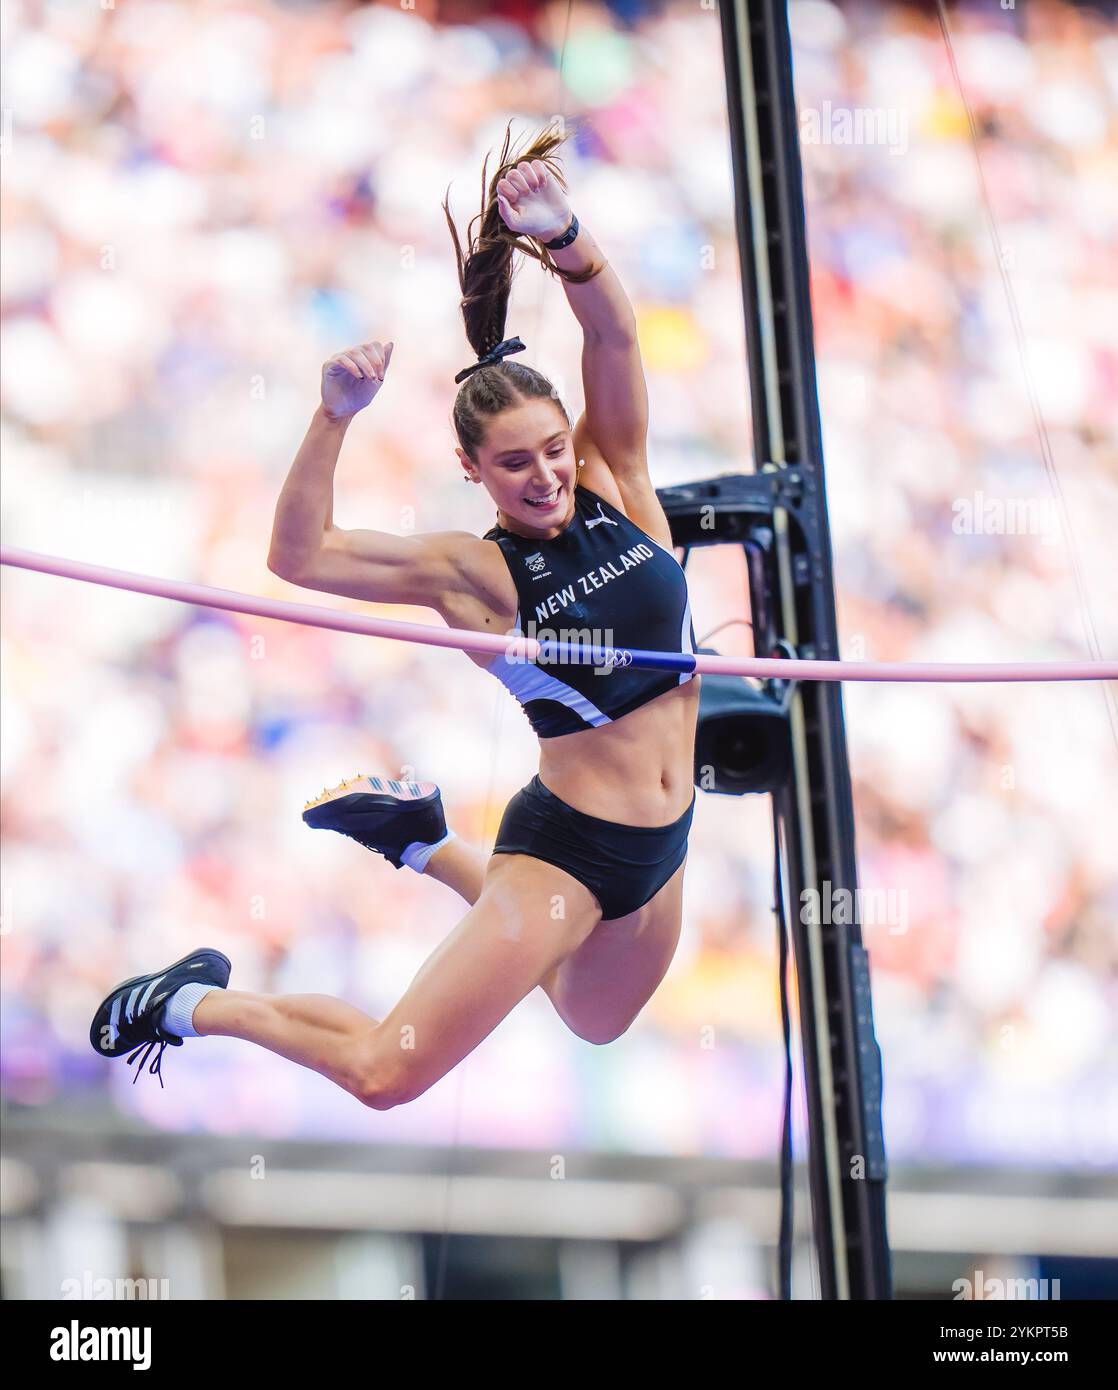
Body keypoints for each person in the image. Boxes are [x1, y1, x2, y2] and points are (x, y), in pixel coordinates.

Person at [90, 121, 701, 1106]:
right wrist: (331, 415)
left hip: (665, 833)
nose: (544, 473)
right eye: (513, 463)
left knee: (592, 1018)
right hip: (569, 850)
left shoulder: (616, 480)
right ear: (471, 470)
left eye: (550, 447)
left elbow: (612, 335)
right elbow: (299, 555)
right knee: (386, 1072)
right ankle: (192, 1005)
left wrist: (568, 237)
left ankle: (426, 842)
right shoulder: (473, 575)